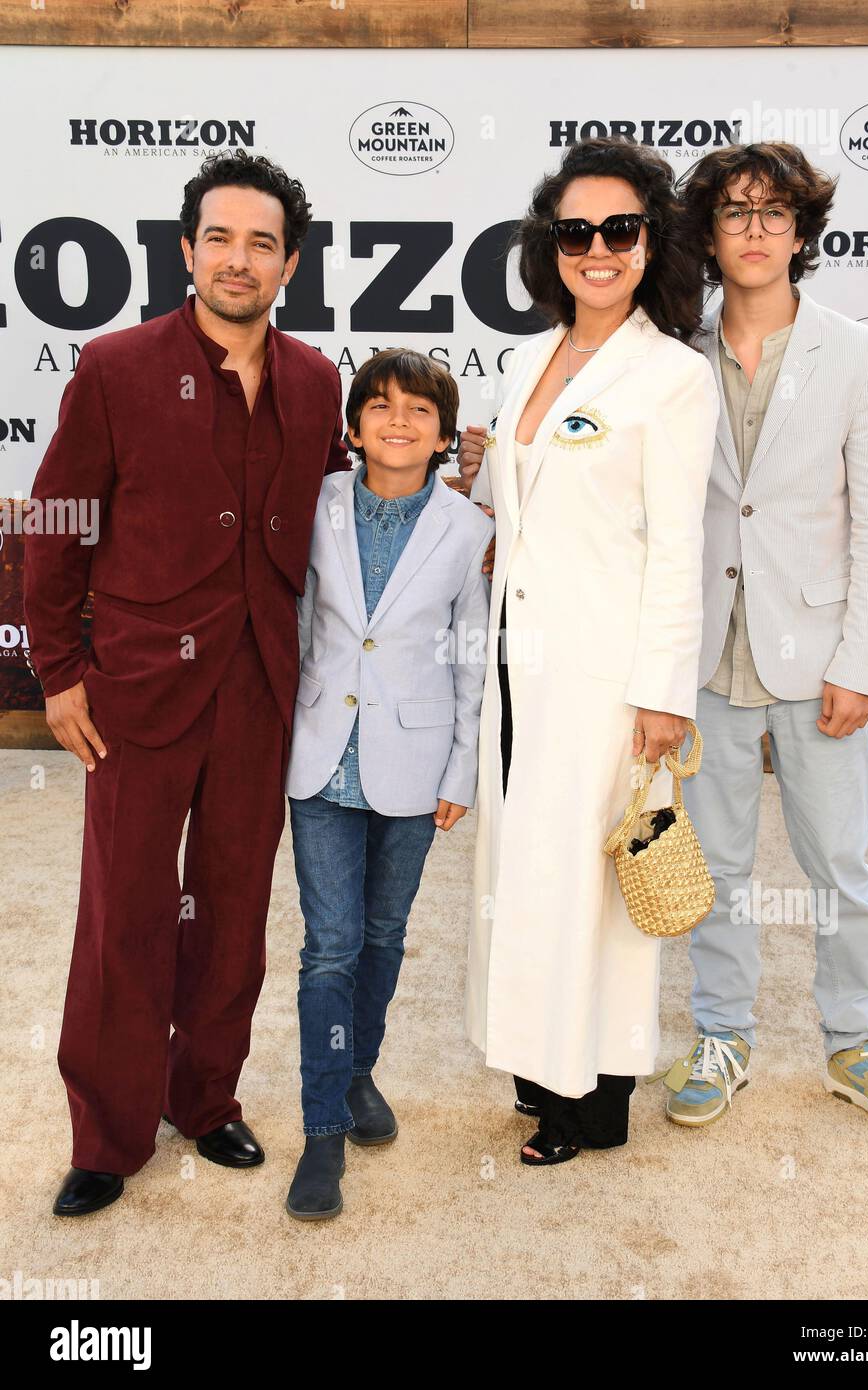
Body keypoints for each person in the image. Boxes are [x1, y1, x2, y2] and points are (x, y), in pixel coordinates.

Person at [23, 150, 351, 1217]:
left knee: (233, 911)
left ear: (289, 263)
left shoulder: (315, 380)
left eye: (262, 242)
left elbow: (336, 517)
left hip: (262, 687)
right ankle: (108, 1134)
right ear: (186, 251)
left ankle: (204, 1100)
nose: (238, 259)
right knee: (125, 915)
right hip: (134, 693)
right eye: (220, 238)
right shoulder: (116, 367)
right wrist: (60, 673)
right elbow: (58, 523)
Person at [662, 141, 868, 1137]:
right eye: (733, 213)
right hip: (703, 655)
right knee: (717, 867)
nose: (753, 230)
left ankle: (859, 1040)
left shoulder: (860, 357)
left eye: (772, 213)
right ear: (707, 233)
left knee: (841, 864)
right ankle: (722, 1034)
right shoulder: (672, 355)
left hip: (820, 653)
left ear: (800, 232)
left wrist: (860, 662)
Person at [460, 137, 719, 1165]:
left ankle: (592, 1097)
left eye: (621, 229)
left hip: (609, 677)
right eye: (577, 230)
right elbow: (528, 512)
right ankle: (539, 1066)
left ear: (652, 242)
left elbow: (676, 546)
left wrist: (663, 691)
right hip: (519, 665)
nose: (598, 248)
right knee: (527, 872)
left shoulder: (671, 376)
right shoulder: (526, 356)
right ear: (550, 243)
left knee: (592, 889)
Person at [284, 349, 493, 1218]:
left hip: (416, 759)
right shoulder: (315, 503)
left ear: (445, 435)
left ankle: (358, 1066)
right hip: (320, 757)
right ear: (354, 423)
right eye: (379, 405)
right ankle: (324, 1125)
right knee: (329, 946)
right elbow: (295, 624)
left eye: (418, 410)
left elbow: (472, 656)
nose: (397, 421)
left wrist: (464, 767)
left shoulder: (469, 528)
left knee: (383, 936)